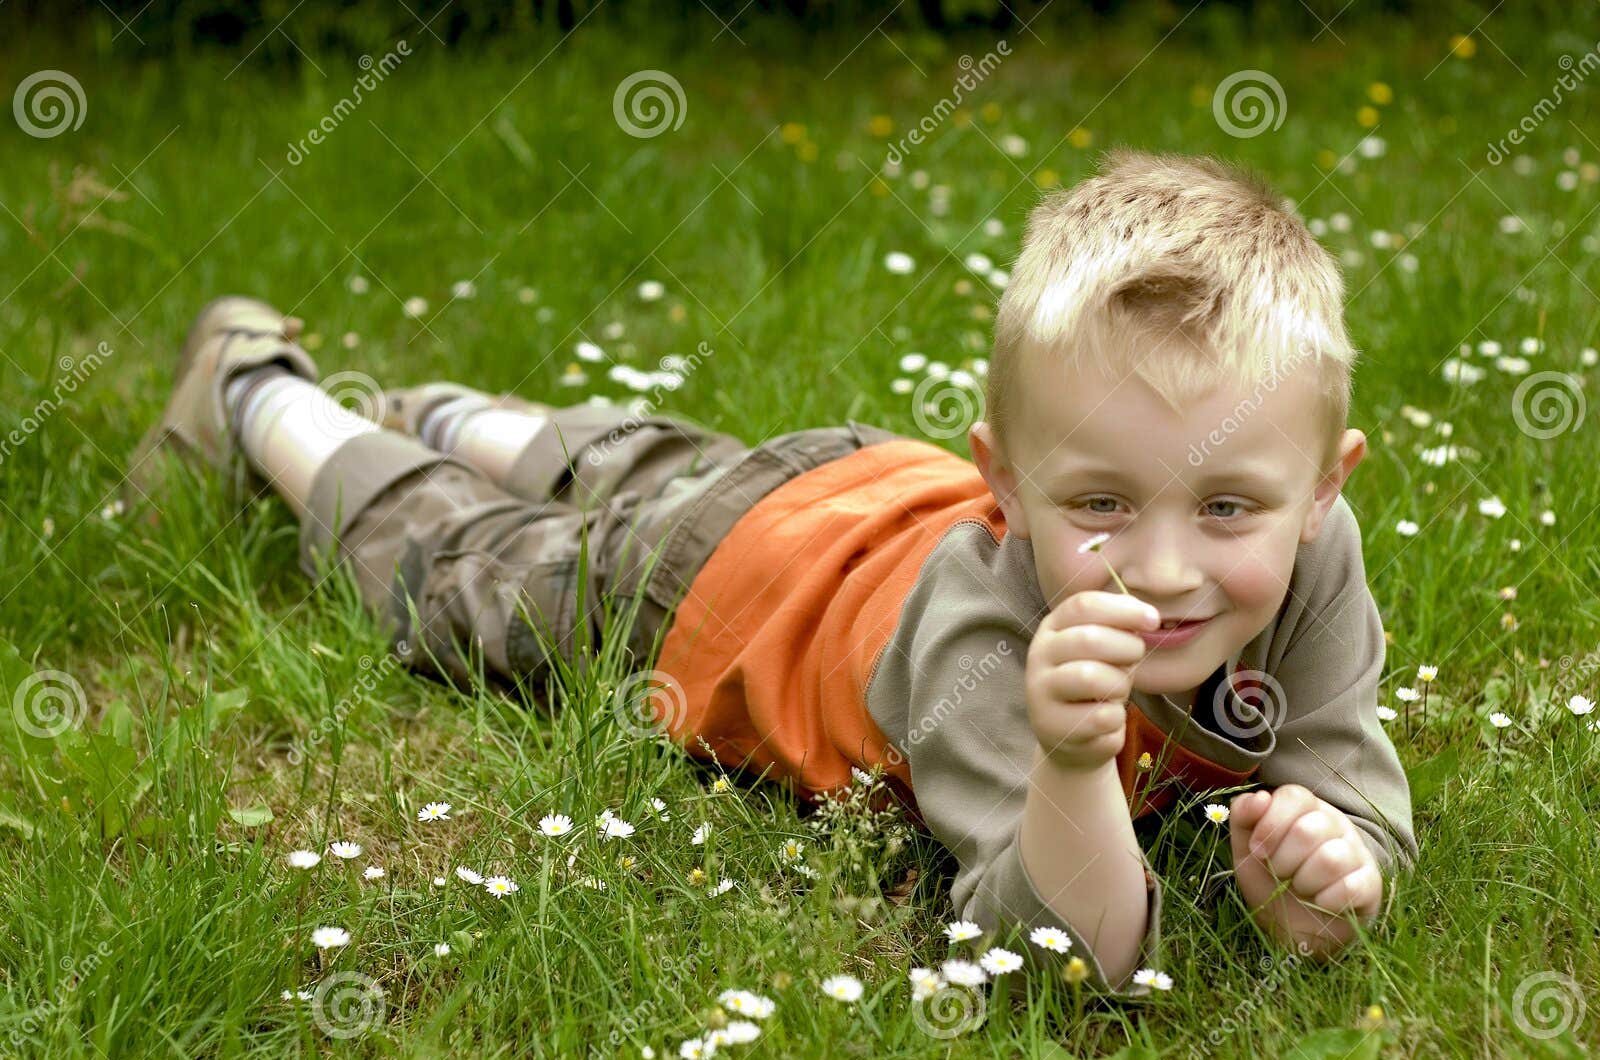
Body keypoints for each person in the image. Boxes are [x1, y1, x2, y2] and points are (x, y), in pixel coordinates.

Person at [128, 147, 1416, 995]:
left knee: (639, 457)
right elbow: (1055, 963)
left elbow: (1351, 788)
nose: (1165, 567)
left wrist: (1336, 866)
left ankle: (436, 402)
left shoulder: (1314, 562)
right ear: (1007, 489)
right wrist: (1075, 766)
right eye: (1099, 504)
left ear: (1325, 490)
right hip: (718, 585)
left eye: (1231, 505)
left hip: (852, 482)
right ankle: (256, 390)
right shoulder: (984, 635)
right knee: (466, 565)